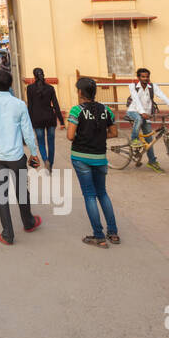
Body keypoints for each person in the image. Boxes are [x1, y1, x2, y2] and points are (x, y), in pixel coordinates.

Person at [0, 69, 43, 246]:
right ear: (11, 84)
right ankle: (28, 222)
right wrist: (34, 153)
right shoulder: (19, 104)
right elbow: (28, 131)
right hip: (16, 155)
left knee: (2, 195)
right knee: (22, 191)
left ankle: (7, 233)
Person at [67, 76, 121, 248]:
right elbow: (114, 133)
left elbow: (70, 136)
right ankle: (112, 233)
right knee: (102, 193)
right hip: (100, 157)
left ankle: (99, 235)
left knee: (89, 195)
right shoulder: (107, 110)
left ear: (80, 92)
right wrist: (98, 136)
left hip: (81, 157)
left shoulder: (77, 111)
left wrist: (85, 136)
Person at [125, 68, 169, 172]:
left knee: (150, 140)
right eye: (143, 77)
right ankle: (134, 140)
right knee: (139, 119)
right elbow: (135, 99)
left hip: (146, 115)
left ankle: (152, 162)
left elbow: (164, 97)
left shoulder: (152, 87)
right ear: (138, 77)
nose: (145, 79)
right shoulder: (133, 86)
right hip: (133, 111)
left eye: (147, 76)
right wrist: (142, 112)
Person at [25, 68, 65, 174]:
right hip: (50, 118)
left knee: (41, 142)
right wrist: (61, 121)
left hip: (37, 119)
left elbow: (30, 106)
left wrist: (28, 121)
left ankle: (45, 160)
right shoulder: (50, 88)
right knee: (51, 142)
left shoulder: (30, 88)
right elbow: (55, 105)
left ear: (34, 76)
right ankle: (50, 164)